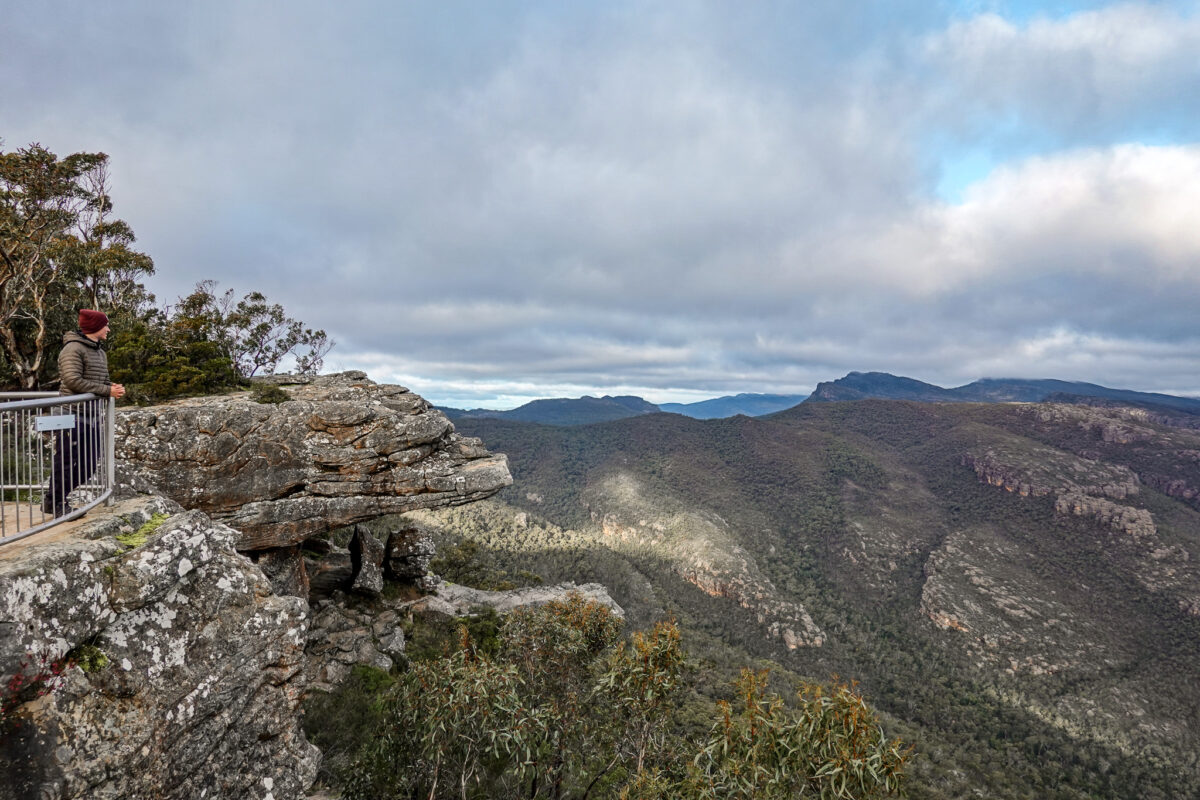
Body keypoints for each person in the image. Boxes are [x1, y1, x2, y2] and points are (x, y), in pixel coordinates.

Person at [42, 310, 126, 516]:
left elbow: (101, 380)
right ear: (95, 327)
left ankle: (52, 500)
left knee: (88, 466)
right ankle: (59, 505)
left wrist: (111, 386)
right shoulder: (73, 349)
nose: (108, 328)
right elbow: (72, 380)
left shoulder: (99, 351)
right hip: (70, 414)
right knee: (66, 462)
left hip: (90, 416)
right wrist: (107, 391)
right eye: (105, 325)